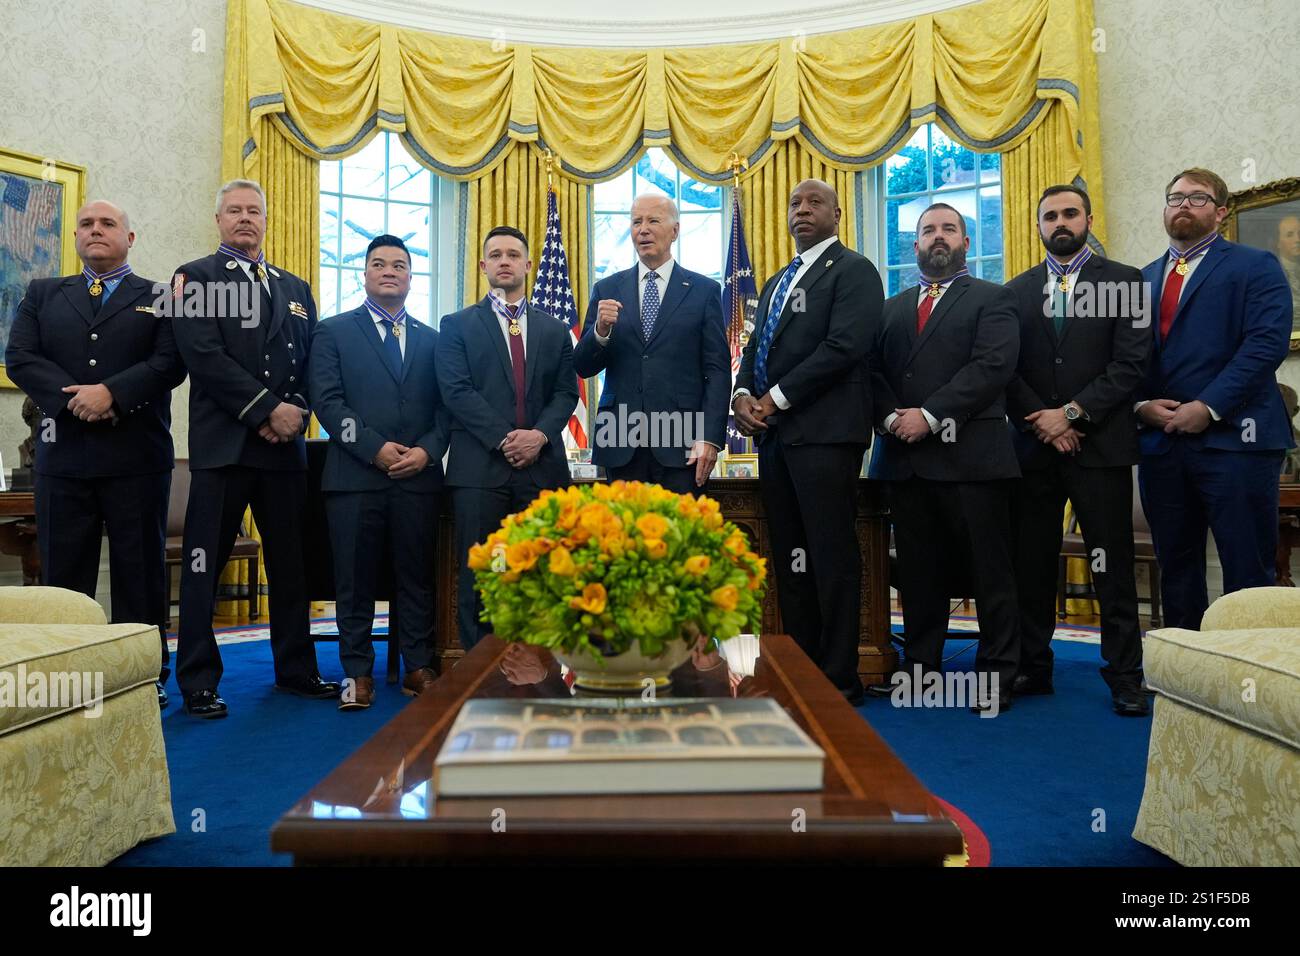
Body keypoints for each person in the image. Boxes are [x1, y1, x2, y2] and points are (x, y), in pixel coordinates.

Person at [171, 179, 340, 718]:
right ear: (218, 219)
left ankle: (296, 669)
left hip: (284, 451)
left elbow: (315, 362)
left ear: (266, 220)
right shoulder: (194, 278)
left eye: (254, 211)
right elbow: (204, 356)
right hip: (225, 450)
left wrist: (294, 414)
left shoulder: (295, 287)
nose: (245, 218)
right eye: (234, 210)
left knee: (291, 566)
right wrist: (269, 409)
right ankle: (198, 680)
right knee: (204, 566)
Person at [6, 200, 185, 708]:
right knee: (65, 576)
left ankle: (146, 677)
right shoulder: (43, 293)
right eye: (86, 224)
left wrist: (112, 393)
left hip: (138, 458)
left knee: (140, 573)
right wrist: (76, 398)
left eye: (108, 224)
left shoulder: (160, 297)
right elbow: (20, 357)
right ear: (77, 238)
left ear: (131, 238)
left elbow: (170, 363)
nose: (95, 230)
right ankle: (69, 678)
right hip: (64, 460)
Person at [732, 179, 883, 706]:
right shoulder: (777, 281)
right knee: (791, 557)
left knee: (830, 557)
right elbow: (756, 345)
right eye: (794, 203)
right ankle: (801, 669)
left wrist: (773, 399)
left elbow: (845, 347)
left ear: (838, 214)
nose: (802, 210)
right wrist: (742, 396)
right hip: (776, 443)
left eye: (813, 202)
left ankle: (839, 678)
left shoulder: (854, 271)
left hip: (825, 438)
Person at [1004, 185, 1152, 716]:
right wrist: (1045, 424)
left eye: (1070, 213)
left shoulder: (1126, 282)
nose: (1060, 222)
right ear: (1037, 225)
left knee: (1111, 567)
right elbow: (1007, 370)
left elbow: (1131, 367)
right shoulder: (1015, 293)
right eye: (1050, 216)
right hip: (1033, 450)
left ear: (1088, 218)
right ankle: (1032, 667)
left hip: (1100, 447)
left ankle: (1125, 677)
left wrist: (1069, 415)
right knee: (1033, 564)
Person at [868, 203, 1020, 714]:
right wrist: (890, 418)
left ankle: (997, 674)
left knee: (989, 570)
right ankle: (921, 669)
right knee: (918, 573)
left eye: (948, 229)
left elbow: (992, 367)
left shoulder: (993, 300)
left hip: (972, 460)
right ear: (915, 246)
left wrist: (929, 415)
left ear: (965, 243)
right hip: (904, 460)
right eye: (928, 230)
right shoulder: (890, 308)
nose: (938, 236)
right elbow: (871, 374)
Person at [1136, 168, 1294, 630]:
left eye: (1198, 198)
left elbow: (1265, 345)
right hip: (1162, 446)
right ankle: (1187, 676)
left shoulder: (1255, 265)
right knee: (1178, 570)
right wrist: (1139, 406)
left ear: (1221, 213)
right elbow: (1125, 361)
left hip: (1236, 442)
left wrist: (1206, 408)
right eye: (1175, 197)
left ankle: (1244, 679)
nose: (1183, 205)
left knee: (1247, 572)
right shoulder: (1140, 280)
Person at [308, 234, 448, 710]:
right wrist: (374, 448)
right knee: (354, 580)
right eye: (379, 264)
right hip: (354, 478)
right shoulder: (332, 332)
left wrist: (428, 452)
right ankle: (356, 674)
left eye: (399, 265)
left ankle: (419, 667)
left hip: (418, 479)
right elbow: (326, 402)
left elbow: (447, 410)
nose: (389, 271)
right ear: (364, 275)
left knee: (416, 578)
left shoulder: (435, 340)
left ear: (411, 277)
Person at [436, 226, 579, 651]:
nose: (504, 261)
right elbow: (456, 391)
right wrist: (505, 439)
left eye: (513, 254)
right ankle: (482, 675)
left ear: (528, 266)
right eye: (495, 254)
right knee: (485, 574)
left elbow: (566, 393)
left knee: (544, 572)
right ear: (483, 266)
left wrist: (537, 436)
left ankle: (543, 669)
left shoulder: (555, 330)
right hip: (480, 472)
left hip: (543, 470)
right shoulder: (457, 325)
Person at [573, 193, 729, 491]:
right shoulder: (607, 288)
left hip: (681, 441)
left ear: (675, 231)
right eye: (636, 222)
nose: (642, 229)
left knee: (680, 535)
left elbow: (717, 370)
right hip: (620, 438)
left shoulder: (704, 290)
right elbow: (582, 366)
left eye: (653, 220)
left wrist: (709, 437)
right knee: (623, 536)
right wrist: (600, 332)